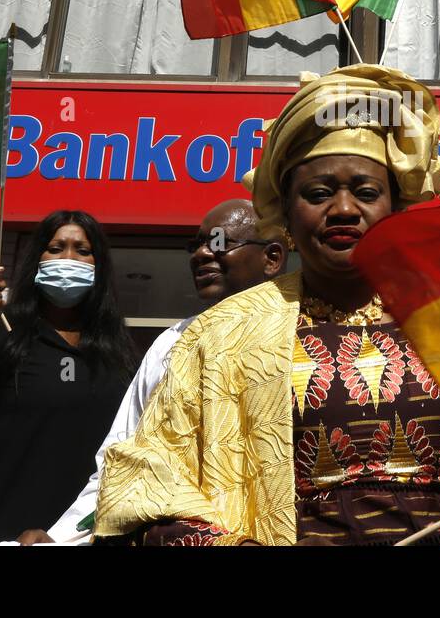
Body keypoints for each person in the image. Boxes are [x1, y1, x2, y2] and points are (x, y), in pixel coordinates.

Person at [93, 65, 440, 545]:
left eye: (365, 192)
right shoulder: (220, 334)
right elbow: (148, 484)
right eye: (317, 194)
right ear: (286, 216)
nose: (342, 209)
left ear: (395, 210)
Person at [16, 198, 286, 545]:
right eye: (197, 244)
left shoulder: (301, 342)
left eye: (219, 242)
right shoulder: (171, 344)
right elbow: (119, 464)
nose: (201, 254)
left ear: (272, 258)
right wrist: (61, 538)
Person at [0, 209, 138, 545]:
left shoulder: (116, 350)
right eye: (56, 249)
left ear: (99, 267)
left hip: (78, 540)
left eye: (82, 251)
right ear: (36, 259)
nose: (68, 259)